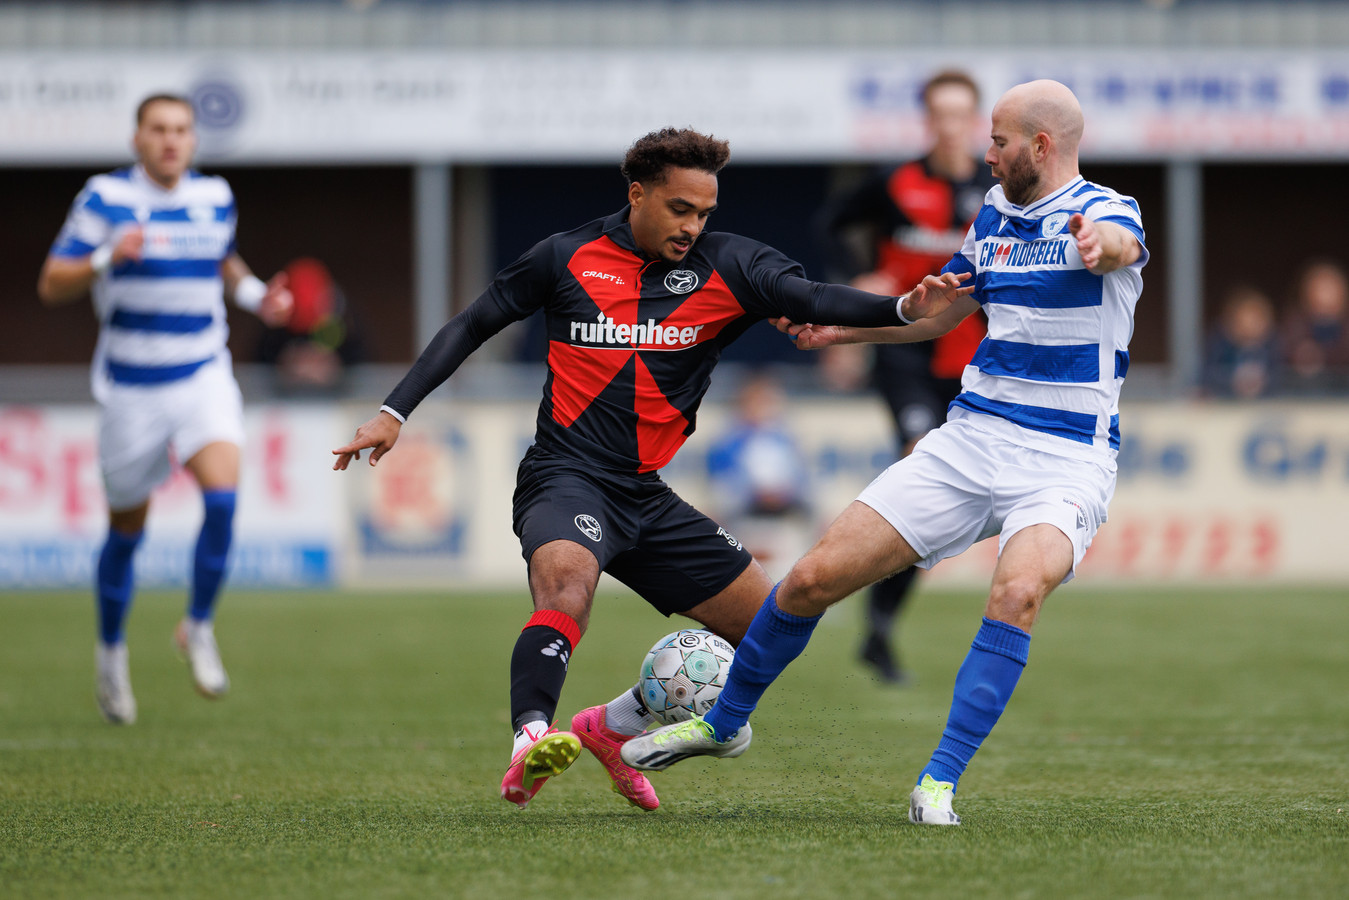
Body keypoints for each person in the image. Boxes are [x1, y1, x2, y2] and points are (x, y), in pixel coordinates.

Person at [332, 128, 966, 811]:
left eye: (704, 213)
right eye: (679, 209)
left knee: (769, 632)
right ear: (637, 194)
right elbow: (471, 323)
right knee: (568, 586)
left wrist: (901, 308)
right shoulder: (564, 257)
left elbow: (813, 298)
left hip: (646, 496)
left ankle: (609, 727)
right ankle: (530, 739)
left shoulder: (732, 266)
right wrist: (394, 412)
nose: (693, 226)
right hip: (564, 476)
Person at [621, 81, 1147, 829]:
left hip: (1065, 460)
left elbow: (1120, 243)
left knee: (1016, 594)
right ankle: (721, 721)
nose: (985, 153)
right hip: (969, 440)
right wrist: (848, 334)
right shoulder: (994, 213)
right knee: (810, 578)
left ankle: (937, 783)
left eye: (997, 141)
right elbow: (945, 316)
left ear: (1040, 145)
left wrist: (1102, 247)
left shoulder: (1106, 212)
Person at [37, 94, 292, 725]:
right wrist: (104, 257)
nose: (171, 140)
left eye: (181, 130)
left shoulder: (215, 197)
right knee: (127, 533)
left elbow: (223, 261)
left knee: (224, 498)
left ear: (193, 140)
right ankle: (110, 653)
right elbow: (50, 283)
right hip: (130, 390)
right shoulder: (103, 199)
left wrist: (261, 298)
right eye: (159, 130)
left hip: (202, 375)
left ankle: (198, 625)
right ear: (137, 139)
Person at [817, 68, 996, 684]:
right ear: (927, 120)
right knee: (921, 462)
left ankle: (879, 628)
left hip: (973, 358)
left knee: (948, 498)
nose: (950, 124)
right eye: (939, 113)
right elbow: (833, 221)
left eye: (960, 113)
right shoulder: (895, 182)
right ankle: (836, 589)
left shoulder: (993, 188)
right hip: (905, 352)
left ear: (974, 121)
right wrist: (860, 276)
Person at [704, 371, 813, 579]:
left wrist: (785, 493)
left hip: (786, 509)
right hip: (745, 512)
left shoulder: (785, 439)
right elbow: (721, 485)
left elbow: (800, 479)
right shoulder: (727, 441)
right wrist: (754, 494)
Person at [256, 256, 364, 396]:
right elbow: (258, 366)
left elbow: (364, 371)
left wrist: (336, 368)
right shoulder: (274, 314)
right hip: (286, 403)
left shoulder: (347, 319)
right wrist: (284, 365)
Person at [1280, 259, 1349, 396]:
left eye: (1330, 288)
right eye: (1320, 288)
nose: (1325, 295)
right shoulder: (1295, 324)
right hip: (1305, 398)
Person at [1201, 284, 1280, 399]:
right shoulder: (1221, 346)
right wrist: (1232, 382)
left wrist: (1263, 382)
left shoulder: (1274, 346)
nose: (1249, 326)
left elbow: (1283, 376)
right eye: (1244, 320)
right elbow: (1207, 375)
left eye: (1255, 320)